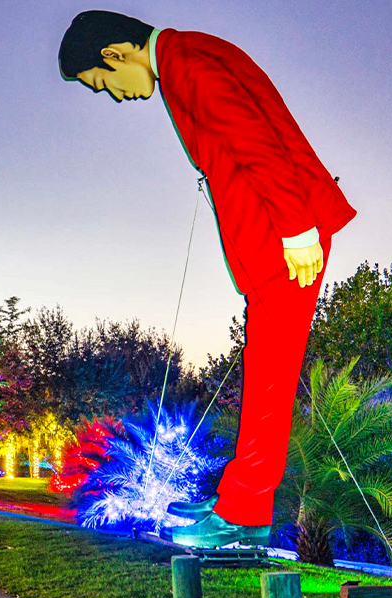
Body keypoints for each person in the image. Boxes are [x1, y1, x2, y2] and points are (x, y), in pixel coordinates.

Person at [58, 11, 355, 547]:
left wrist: (296, 229)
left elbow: (255, 139)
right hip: (273, 235)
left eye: (102, 83)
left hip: (282, 236)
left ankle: (244, 513)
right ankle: (236, 501)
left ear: (114, 54)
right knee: (263, 372)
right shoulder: (187, 53)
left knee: (271, 380)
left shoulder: (186, 64)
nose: (113, 95)